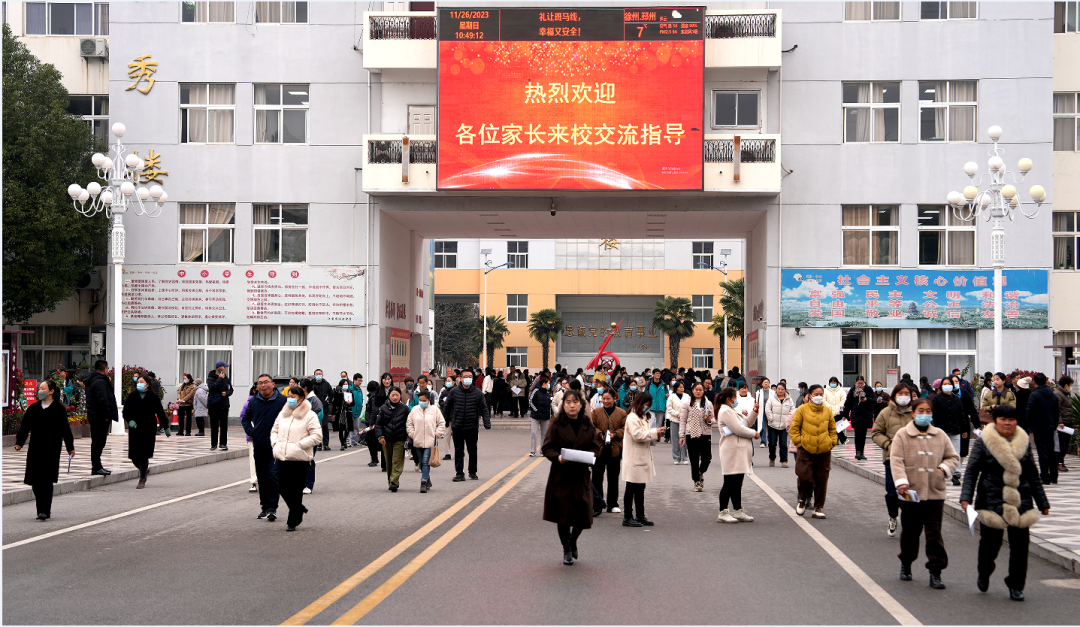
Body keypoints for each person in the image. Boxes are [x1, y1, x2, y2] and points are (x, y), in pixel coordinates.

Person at [961, 405, 1051, 602]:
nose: (1007, 423)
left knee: (1020, 547)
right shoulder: (984, 441)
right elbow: (972, 471)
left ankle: (1016, 585)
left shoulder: (1023, 441)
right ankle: (984, 572)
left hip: (1021, 499)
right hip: (991, 499)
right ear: (995, 420)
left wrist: (1042, 501)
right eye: (1003, 419)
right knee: (990, 546)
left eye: (1011, 419)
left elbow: (1032, 474)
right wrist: (965, 497)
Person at [890, 397, 960, 589]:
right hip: (910, 493)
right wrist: (902, 482)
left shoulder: (940, 435)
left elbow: (953, 457)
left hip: (935, 493)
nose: (924, 414)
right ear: (913, 413)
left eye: (928, 411)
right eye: (920, 411)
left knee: (934, 533)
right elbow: (896, 461)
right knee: (910, 532)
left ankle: (935, 572)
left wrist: (943, 471)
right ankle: (906, 563)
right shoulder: (902, 435)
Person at [540, 389, 600, 565]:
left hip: (581, 475)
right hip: (561, 475)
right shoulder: (557, 425)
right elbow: (547, 448)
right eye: (568, 402)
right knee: (563, 515)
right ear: (563, 405)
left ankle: (573, 540)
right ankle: (566, 548)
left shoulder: (587, 425)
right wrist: (557, 457)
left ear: (581, 405)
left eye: (575, 402)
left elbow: (595, 447)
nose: (571, 405)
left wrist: (590, 455)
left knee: (583, 514)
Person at [14, 381, 75, 519]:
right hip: (35, 449)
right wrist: (19, 442)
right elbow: (25, 426)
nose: (39, 390)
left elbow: (65, 429)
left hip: (51, 449)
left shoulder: (59, 409)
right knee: (35, 480)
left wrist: (70, 447)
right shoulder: (33, 408)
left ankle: (44, 510)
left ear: (51, 391)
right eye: (39, 388)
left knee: (46, 480)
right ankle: (39, 507)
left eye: (43, 388)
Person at [270, 386, 320, 531]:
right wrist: (275, 444)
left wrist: (300, 445)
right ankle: (299, 508)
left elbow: (317, 436)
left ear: (301, 398)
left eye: (294, 396)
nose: (290, 399)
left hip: (300, 458)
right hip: (284, 456)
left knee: (296, 490)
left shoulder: (310, 415)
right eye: (289, 396)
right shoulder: (283, 414)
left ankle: (292, 521)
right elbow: (274, 430)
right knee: (282, 487)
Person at [871, 383, 915, 538]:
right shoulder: (886, 413)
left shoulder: (916, 412)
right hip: (892, 458)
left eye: (906, 393)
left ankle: (910, 520)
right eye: (900, 393)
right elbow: (876, 433)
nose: (904, 396)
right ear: (895, 395)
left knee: (910, 492)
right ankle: (893, 516)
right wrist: (888, 444)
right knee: (892, 492)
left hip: (913, 459)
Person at [243, 374, 288, 522]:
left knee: (273, 476)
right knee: (261, 478)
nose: (263, 385)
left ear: (273, 384)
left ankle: (272, 508)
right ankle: (264, 507)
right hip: (259, 445)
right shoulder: (254, 401)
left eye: (266, 382)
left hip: (276, 446)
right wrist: (252, 433)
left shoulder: (283, 401)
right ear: (257, 386)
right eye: (260, 383)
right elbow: (245, 419)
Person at [789, 384, 837, 519]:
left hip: (823, 451)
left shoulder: (827, 411)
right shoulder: (802, 410)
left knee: (822, 480)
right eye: (816, 394)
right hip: (805, 450)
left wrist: (831, 442)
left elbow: (833, 430)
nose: (819, 397)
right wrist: (800, 443)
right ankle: (802, 500)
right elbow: (794, 429)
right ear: (809, 396)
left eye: (821, 394)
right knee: (804, 477)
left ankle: (818, 507)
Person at [714, 387, 759, 523]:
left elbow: (747, 422)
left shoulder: (732, 410)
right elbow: (739, 429)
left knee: (737, 482)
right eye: (735, 398)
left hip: (738, 450)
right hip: (732, 451)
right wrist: (754, 433)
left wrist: (754, 411)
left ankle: (738, 510)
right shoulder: (725, 411)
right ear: (729, 399)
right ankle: (723, 511)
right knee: (729, 482)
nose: (736, 400)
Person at [621, 392, 665, 527]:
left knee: (640, 487)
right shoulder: (632, 417)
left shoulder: (643, 416)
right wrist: (655, 433)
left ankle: (640, 515)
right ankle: (627, 517)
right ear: (641, 403)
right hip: (634, 457)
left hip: (641, 456)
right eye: (647, 404)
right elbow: (638, 435)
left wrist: (656, 433)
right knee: (631, 487)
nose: (648, 407)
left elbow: (645, 434)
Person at [443, 369, 491, 481]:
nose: (468, 378)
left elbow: (483, 409)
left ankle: (472, 472)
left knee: (472, 450)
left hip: (472, 426)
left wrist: (486, 423)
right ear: (461, 378)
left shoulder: (478, 393)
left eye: (470, 376)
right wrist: (445, 421)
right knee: (459, 451)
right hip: (457, 426)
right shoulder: (454, 392)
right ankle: (459, 473)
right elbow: (447, 407)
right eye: (465, 376)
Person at [124, 374, 170, 489]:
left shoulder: (153, 397)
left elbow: (160, 412)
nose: (139, 383)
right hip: (135, 428)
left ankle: (142, 478)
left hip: (148, 428)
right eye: (138, 381)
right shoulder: (132, 396)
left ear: (148, 384)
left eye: (142, 381)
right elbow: (126, 411)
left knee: (144, 454)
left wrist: (166, 427)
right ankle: (144, 470)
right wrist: (130, 421)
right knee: (134, 456)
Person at [930, 375, 971, 486]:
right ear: (941, 386)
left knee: (955, 453)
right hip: (940, 431)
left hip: (955, 430)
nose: (947, 386)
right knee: (940, 453)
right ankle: (939, 473)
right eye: (945, 384)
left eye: (949, 384)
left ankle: (956, 475)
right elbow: (931, 415)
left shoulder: (957, 400)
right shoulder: (936, 399)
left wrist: (964, 430)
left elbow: (962, 415)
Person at [591, 388, 626, 514]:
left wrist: (615, 434)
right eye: (604, 399)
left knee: (613, 477)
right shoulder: (595, 412)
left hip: (614, 448)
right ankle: (597, 504)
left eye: (608, 399)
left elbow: (625, 428)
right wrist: (600, 434)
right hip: (598, 449)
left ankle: (612, 504)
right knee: (596, 477)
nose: (606, 401)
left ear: (614, 399)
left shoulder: (622, 413)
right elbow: (591, 427)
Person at [81, 359, 117, 476]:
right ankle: (96, 467)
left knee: (97, 441)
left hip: (94, 415)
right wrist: (107, 415)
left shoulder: (92, 380)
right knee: (98, 442)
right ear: (105, 369)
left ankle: (97, 465)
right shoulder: (100, 382)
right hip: (100, 416)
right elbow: (103, 400)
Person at [406, 390, 446, 493]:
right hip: (417, 441)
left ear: (429, 400)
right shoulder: (414, 410)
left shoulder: (435, 410)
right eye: (420, 400)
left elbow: (441, 422)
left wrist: (437, 433)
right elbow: (409, 423)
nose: (422, 402)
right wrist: (412, 434)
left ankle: (423, 482)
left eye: (424, 400)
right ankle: (427, 479)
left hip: (430, 441)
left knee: (425, 461)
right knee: (421, 462)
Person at [1025, 373, 1059, 485]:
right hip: (1050, 427)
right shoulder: (1053, 395)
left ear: (1034, 382)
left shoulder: (1035, 395)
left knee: (1042, 453)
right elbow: (1056, 413)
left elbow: (1029, 412)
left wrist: (1029, 426)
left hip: (1039, 428)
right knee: (1051, 451)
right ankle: (1054, 477)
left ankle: (1044, 477)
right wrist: (1054, 426)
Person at [680, 382, 714, 493]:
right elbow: (683, 420)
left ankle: (700, 472)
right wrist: (681, 435)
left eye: (700, 389)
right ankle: (697, 481)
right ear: (693, 390)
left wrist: (709, 420)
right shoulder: (686, 403)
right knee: (694, 460)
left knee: (707, 458)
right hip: (691, 434)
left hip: (705, 434)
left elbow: (713, 420)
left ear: (703, 391)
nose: (698, 391)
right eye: (696, 389)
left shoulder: (708, 404)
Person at [375, 386, 410, 492]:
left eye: (397, 395)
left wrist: (409, 437)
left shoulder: (405, 408)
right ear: (389, 396)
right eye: (392, 395)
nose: (395, 397)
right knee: (389, 461)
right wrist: (380, 436)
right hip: (386, 439)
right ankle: (391, 480)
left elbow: (409, 424)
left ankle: (394, 481)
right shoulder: (384, 408)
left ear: (400, 396)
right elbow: (379, 424)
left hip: (400, 438)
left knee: (397, 461)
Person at [842, 375, 876, 461]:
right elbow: (848, 403)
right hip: (856, 414)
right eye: (858, 383)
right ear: (855, 382)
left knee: (863, 434)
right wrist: (845, 414)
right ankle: (857, 452)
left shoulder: (868, 389)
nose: (860, 384)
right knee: (857, 434)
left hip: (866, 414)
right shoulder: (853, 390)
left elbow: (874, 400)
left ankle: (862, 452)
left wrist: (866, 399)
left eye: (862, 383)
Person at [299, 378, 324, 493]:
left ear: (304, 388)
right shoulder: (300, 400)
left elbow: (319, 416)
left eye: (299, 386)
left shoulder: (314, 400)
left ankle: (308, 485)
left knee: (308, 460)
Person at [765, 382, 795, 468]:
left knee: (783, 443)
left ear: (785, 390)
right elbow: (767, 409)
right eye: (779, 389)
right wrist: (770, 418)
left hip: (784, 426)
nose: (780, 391)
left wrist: (788, 421)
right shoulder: (771, 398)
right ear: (776, 390)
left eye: (782, 389)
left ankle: (784, 460)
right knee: (772, 443)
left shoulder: (789, 400)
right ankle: (772, 458)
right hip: (773, 424)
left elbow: (792, 410)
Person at [206, 362, 233, 451]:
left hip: (224, 404)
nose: (225, 369)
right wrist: (220, 379)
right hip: (213, 405)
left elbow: (231, 389)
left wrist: (227, 393)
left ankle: (223, 444)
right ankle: (213, 444)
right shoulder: (211, 377)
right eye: (224, 367)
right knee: (214, 425)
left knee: (224, 425)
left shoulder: (226, 378)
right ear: (219, 368)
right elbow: (213, 388)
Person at [238, 384, 259, 492]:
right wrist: (251, 431)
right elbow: (243, 418)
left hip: (269, 436)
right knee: (254, 459)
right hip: (254, 436)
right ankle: (254, 482)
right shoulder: (249, 404)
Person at [666, 380, 690, 464]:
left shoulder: (687, 396)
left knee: (683, 438)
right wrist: (677, 414)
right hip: (674, 420)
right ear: (676, 388)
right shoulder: (671, 397)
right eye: (680, 387)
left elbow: (690, 406)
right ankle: (676, 457)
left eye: (683, 387)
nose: (681, 389)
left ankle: (684, 457)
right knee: (675, 439)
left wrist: (684, 414)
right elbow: (669, 408)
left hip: (684, 421)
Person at [528, 377, 553, 457]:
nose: (549, 385)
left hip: (545, 417)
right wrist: (535, 409)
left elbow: (550, 406)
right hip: (536, 416)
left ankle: (543, 451)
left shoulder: (548, 394)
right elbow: (530, 401)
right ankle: (532, 451)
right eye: (548, 383)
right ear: (544, 384)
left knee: (544, 435)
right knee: (534, 433)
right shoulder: (536, 391)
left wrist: (549, 416)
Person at [1054, 376, 1073, 473]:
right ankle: (1059, 463)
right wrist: (1059, 421)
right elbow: (1057, 409)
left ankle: (1060, 462)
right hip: (1062, 424)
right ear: (1066, 385)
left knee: (1065, 445)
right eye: (1070, 385)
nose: (1070, 387)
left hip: (1068, 422)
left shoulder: (1066, 394)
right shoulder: (1058, 394)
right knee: (1061, 444)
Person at [312, 369, 333, 450]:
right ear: (314, 375)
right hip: (314, 409)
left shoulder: (326, 384)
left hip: (324, 408)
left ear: (322, 375)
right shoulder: (311, 384)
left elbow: (331, 394)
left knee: (324, 425)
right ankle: (318, 444)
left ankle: (326, 444)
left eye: (320, 374)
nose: (318, 375)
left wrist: (327, 401)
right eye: (317, 374)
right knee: (316, 426)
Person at [363, 380, 383, 468]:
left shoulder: (373, 397)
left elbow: (374, 411)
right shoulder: (375, 396)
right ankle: (375, 459)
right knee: (372, 441)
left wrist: (371, 422)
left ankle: (374, 459)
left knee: (372, 442)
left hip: (373, 422)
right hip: (373, 421)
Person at [755, 378, 774, 446]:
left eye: (767, 382)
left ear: (769, 384)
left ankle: (770, 440)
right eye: (764, 382)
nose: (766, 383)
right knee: (762, 426)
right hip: (761, 411)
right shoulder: (758, 392)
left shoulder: (773, 392)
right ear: (762, 384)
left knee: (770, 426)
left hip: (770, 411)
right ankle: (763, 441)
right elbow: (756, 401)